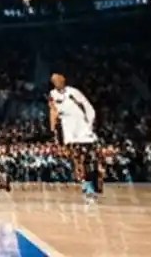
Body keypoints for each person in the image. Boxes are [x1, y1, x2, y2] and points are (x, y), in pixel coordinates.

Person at [48, 73, 101, 203]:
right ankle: (87, 188)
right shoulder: (52, 94)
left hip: (83, 130)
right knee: (77, 160)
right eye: (54, 81)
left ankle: (94, 183)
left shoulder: (74, 92)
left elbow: (88, 107)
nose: (56, 82)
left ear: (63, 80)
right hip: (69, 132)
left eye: (58, 79)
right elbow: (53, 110)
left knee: (90, 160)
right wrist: (53, 129)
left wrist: (90, 125)